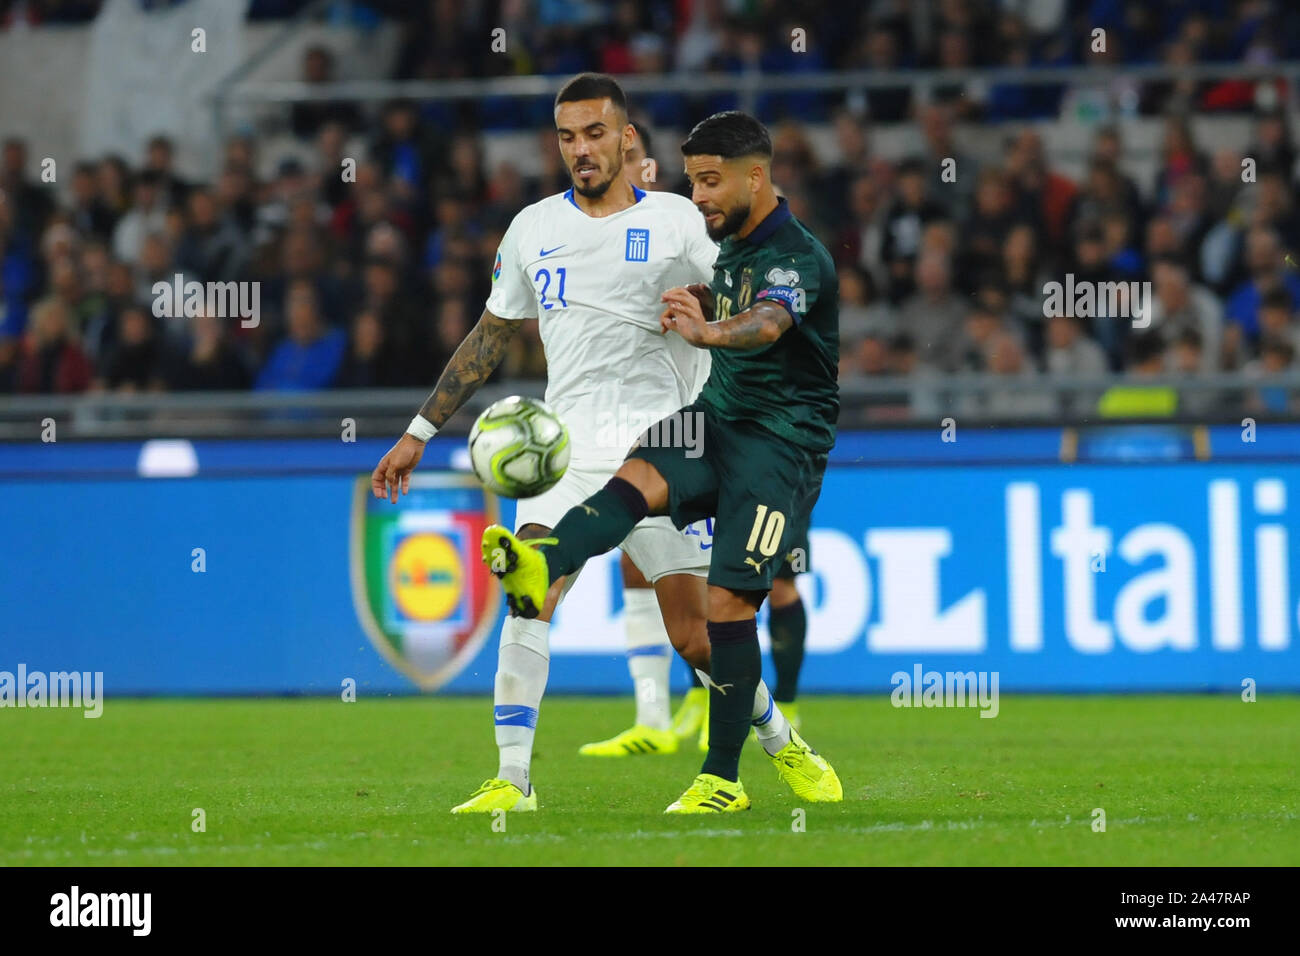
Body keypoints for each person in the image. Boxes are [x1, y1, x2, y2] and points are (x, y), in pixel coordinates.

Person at [372, 78, 832, 814]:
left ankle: (780, 738)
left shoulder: (683, 222)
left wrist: (706, 315)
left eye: (594, 133)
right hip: (567, 452)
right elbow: (490, 336)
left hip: (667, 448)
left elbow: (755, 308)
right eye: (566, 136)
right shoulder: (530, 229)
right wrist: (418, 432)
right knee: (531, 593)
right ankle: (513, 780)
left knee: (698, 638)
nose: (580, 149)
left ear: (627, 141)